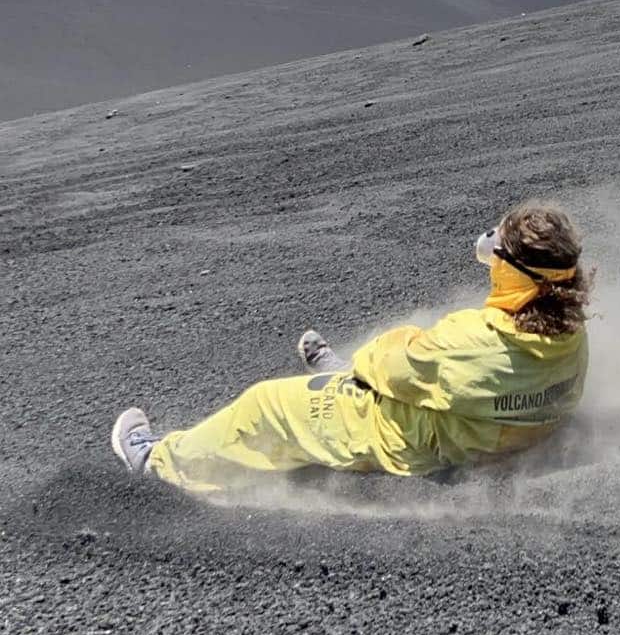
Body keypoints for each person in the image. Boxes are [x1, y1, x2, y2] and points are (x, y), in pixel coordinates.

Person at [110, 202, 590, 498]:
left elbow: (394, 363)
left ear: (514, 274)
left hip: (419, 440)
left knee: (265, 404)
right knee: (392, 373)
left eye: (500, 254)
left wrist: (371, 363)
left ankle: (158, 462)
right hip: (489, 428)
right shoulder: (569, 332)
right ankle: (342, 378)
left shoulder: (470, 343)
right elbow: (458, 374)